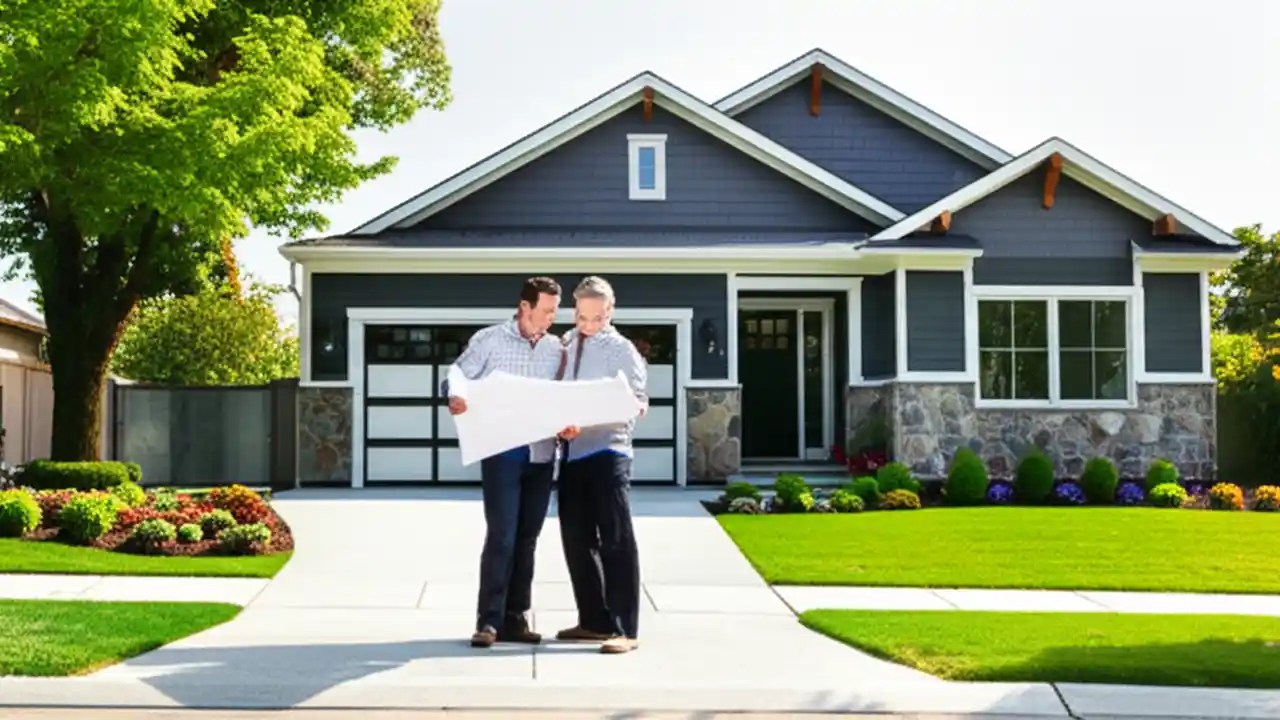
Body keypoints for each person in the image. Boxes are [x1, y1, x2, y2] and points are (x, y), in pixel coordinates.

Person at [443, 276, 581, 648]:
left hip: (542, 454)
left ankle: (515, 619)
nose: (552, 317)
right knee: (502, 535)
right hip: (502, 452)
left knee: (527, 539)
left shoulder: (556, 349)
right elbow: (456, 375)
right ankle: (488, 622)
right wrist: (456, 396)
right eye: (547, 310)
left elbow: (562, 397)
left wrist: (568, 422)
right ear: (525, 306)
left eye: (555, 311)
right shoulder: (489, 340)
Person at [554, 276, 648, 654]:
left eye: (597, 317)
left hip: (609, 453)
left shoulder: (621, 350)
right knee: (576, 539)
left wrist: (586, 420)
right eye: (582, 317)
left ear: (610, 311)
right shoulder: (565, 344)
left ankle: (626, 629)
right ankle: (594, 621)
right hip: (572, 454)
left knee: (615, 540)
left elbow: (635, 403)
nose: (589, 324)